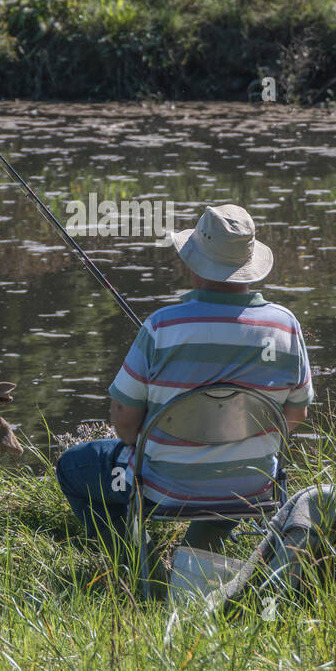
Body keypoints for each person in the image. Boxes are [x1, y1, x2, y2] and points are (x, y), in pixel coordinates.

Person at [55, 203, 313, 555]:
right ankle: (197, 560)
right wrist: (232, 442)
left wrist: (141, 444)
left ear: (193, 262)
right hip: (251, 486)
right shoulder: (286, 327)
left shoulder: (163, 326)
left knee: (73, 466)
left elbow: (123, 417)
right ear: (249, 268)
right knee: (226, 474)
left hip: (163, 486)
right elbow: (295, 416)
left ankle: (135, 565)